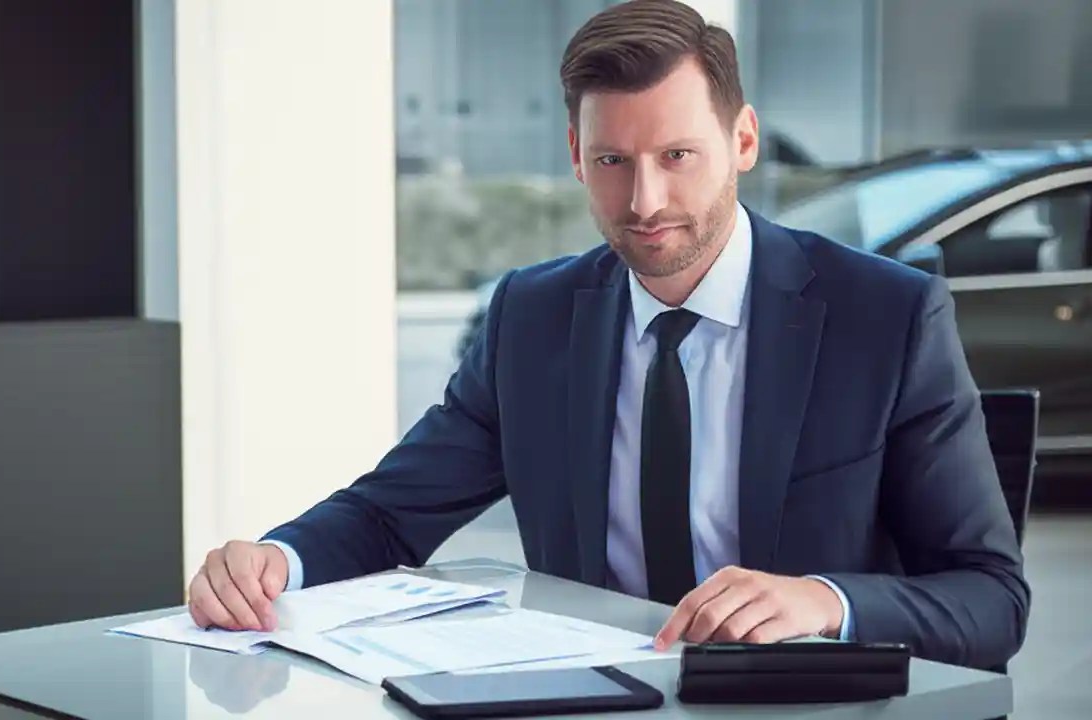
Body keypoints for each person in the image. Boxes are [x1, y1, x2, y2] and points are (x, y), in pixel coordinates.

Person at [187, 0, 1029, 670]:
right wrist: (274, 562)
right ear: (574, 154)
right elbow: (387, 516)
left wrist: (824, 600)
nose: (644, 203)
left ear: (742, 141)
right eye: (612, 162)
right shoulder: (532, 317)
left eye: (678, 156)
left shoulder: (886, 317)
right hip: (596, 700)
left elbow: (990, 600)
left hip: (797, 705)